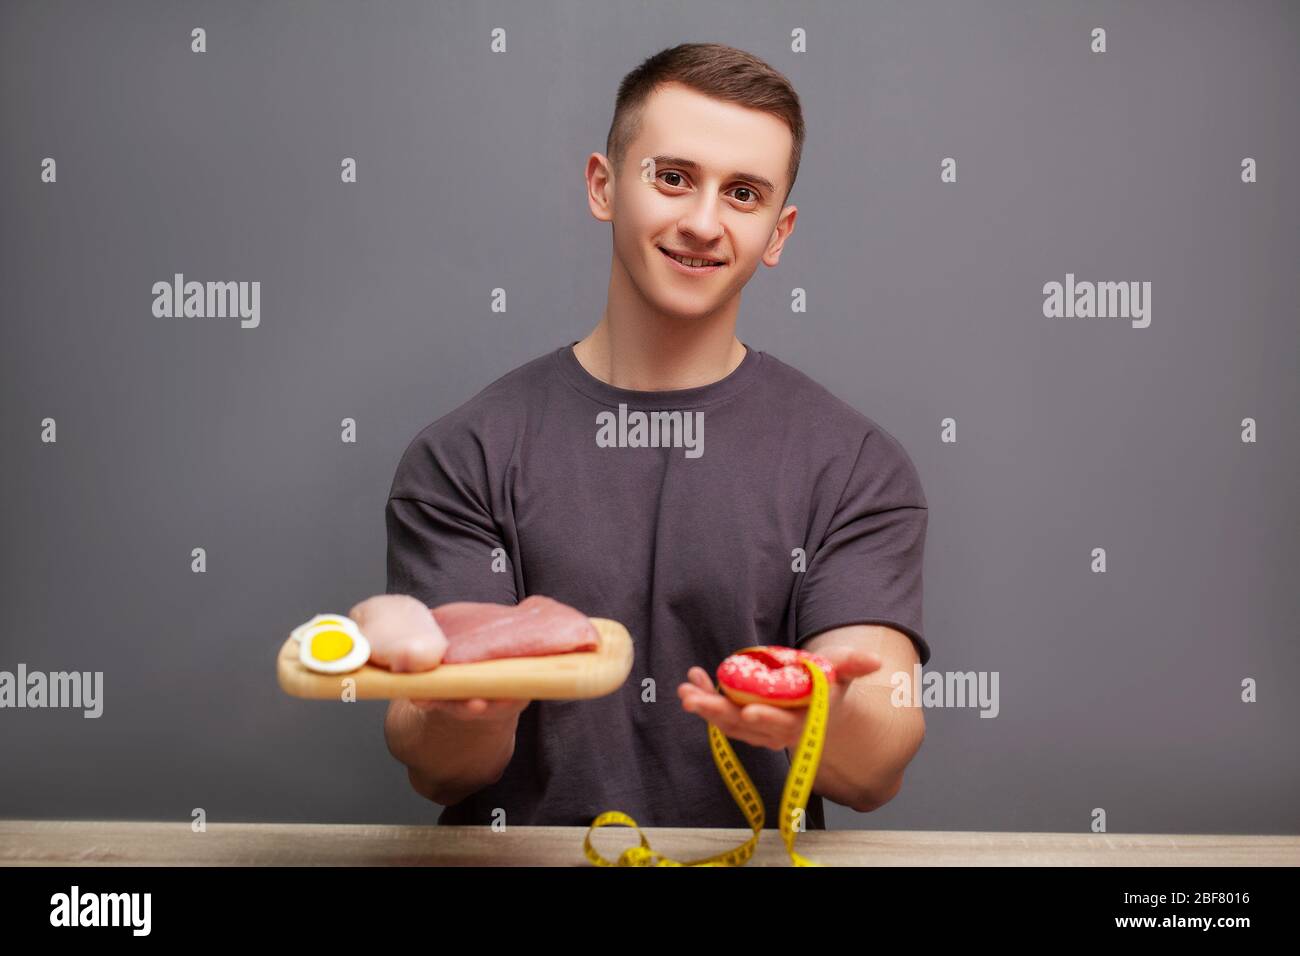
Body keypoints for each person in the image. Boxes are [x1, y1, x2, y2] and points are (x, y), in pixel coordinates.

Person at [360, 42, 930, 829]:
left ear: (778, 232)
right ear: (603, 186)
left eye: (743, 193)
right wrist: (470, 706)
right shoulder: (465, 454)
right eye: (672, 178)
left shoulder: (855, 466)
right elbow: (439, 772)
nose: (702, 222)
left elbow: (880, 763)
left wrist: (824, 722)